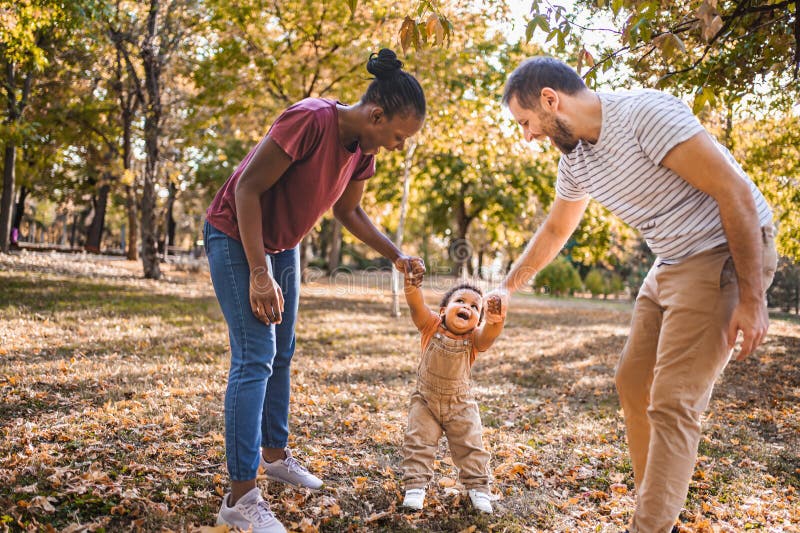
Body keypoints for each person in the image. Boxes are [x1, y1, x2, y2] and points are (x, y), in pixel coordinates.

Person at [495, 57, 776, 533]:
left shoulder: (645, 114)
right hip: (670, 261)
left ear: (550, 100)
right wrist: (506, 286)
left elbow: (735, 193)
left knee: (673, 399)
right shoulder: (576, 160)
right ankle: (657, 509)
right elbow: (557, 229)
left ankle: (649, 525)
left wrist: (753, 297)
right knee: (633, 382)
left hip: (721, 252)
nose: (527, 136)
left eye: (526, 123)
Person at [204, 48, 427, 533]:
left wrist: (396, 255)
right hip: (234, 234)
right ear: (376, 114)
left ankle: (275, 454)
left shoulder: (361, 151)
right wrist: (258, 274)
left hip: (283, 245)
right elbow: (245, 190)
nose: (396, 146)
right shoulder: (310, 119)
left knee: (282, 351)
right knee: (255, 356)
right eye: (397, 135)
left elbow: (349, 213)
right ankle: (240, 499)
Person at [399, 273, 505, 515]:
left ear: (478, 320)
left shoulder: (474, 338)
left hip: (461, 406)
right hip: (426, 402)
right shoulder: (430, 325)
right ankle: (415, 487)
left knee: (471, 446)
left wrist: (496, 320)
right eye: (460, 302)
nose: (466, 307)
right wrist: (412, 285)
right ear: (444, 309)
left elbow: (490, 333)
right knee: (418, 442)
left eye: (474, 307)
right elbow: (416, 305)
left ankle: (478, 488)